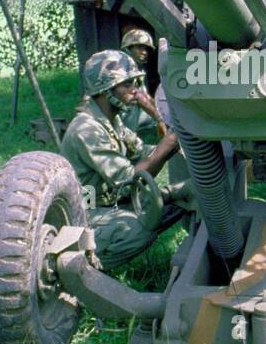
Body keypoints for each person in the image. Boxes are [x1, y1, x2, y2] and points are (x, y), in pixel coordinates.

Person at [60, 50, 186, 271]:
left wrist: (170, 141)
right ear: (104, 90)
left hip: (110, 201)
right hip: (86, 211)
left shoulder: (110, 120)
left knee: (182, 198)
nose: (134, 90)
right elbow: (128, 181)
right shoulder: (86, 129)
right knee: (139, 230)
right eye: (126, 84)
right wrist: (166, 147)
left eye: (134, 82)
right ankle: (81, 272)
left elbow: (142, 151)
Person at [116, 28, 168, 142]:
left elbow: (143, 94)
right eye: (139, 47)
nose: (144, 52)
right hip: (119, 115)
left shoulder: (137, 68)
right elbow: (137, 95)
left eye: (146, 49)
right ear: (128, 48)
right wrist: (159, 118)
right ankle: (126, 142)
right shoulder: (123, 67)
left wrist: (160, 108)